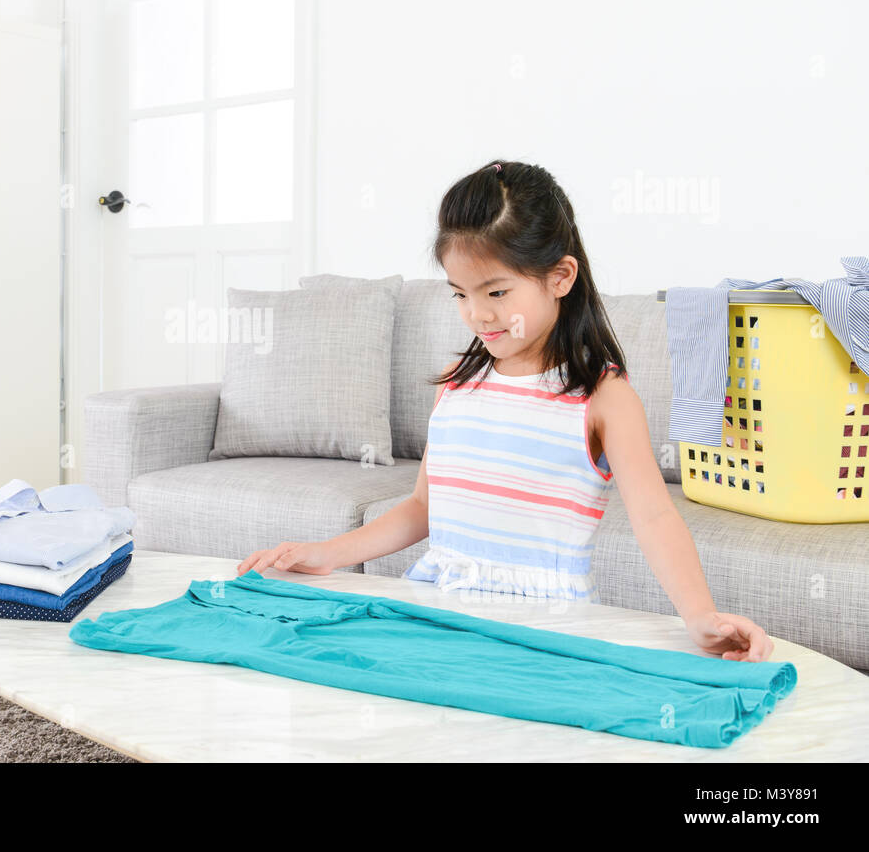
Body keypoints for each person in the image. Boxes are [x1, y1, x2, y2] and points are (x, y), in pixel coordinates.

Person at [237, 159, 774, 663]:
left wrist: (699, 615)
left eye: (495, 291)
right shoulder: (456, 384)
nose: (477, 314)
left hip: (545, 628)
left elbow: (655, 517)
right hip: (439, 612)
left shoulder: (602, 397)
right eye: (460, 295)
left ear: (560, 277)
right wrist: (328, 553)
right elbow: (424, 505)